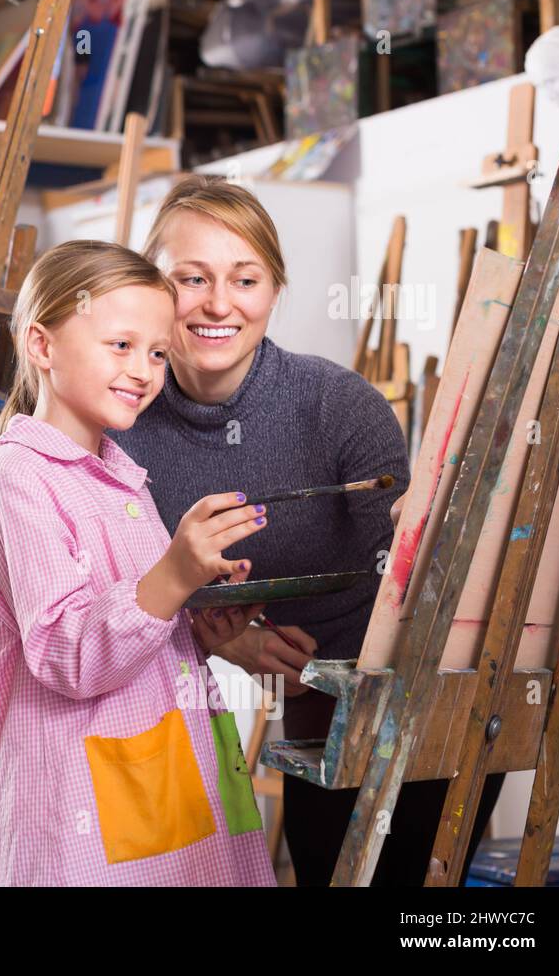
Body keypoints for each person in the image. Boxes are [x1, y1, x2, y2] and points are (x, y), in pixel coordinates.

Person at [117, 173, 503, 885]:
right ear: (153, 290)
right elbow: (120, 602)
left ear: (275, 289)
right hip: (316, 707)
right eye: (191, 279)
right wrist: (226, 638)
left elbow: (409, 572)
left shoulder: (336, 403)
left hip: (429, 694)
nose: (219, 304)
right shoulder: (124, 422)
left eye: (245, 278)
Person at [0, 240, 275, 886]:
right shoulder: (14, 479)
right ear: (41, 346)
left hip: (175, 782)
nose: (145, 371)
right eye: (120, 346)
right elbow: (68, 654)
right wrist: (173, 575)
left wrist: (196, 624)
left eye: (157, 353)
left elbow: (136, 628)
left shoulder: (123, 480)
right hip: (80, 812)